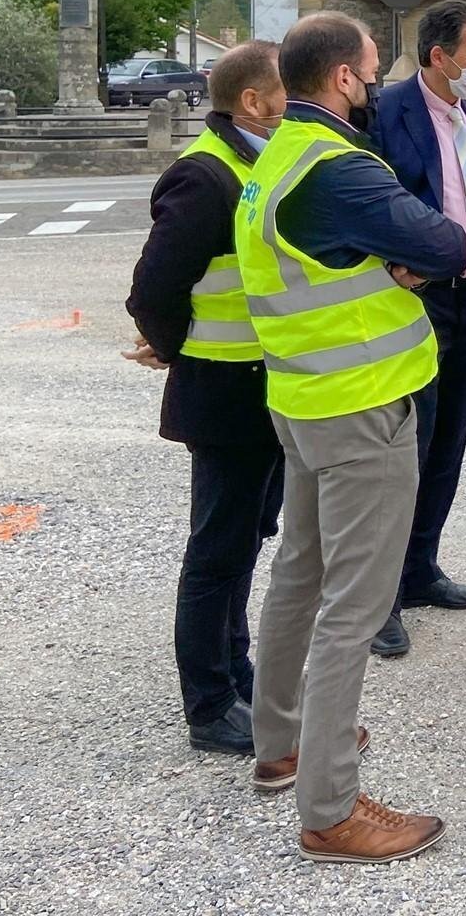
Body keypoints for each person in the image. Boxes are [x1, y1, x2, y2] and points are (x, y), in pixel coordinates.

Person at [238, 13, 466, 863]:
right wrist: (407, 260)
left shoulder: (276, 159)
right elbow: (446, 241)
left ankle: (282, 744)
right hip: (364, 406)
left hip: (302, 399)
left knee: (301, 570)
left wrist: (388, 259)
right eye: (372, 71)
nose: (378, 84)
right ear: (342, 77)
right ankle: (330, 808)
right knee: (355, 607)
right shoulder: (339, 168)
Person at [123, 40, 287, 757]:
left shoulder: (256, 165)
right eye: (291, 90)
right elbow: (152, 291)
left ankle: (238, 673)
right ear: (253, 102)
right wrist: (173, 344)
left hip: (259, 388)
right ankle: (210, 703)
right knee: (217, 550)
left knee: (245, 541)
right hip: (223, 391)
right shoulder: (205, 177)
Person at [367, 1, 466, 660]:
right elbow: (368, 200)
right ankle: (379, 601)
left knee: (451, 442)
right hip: (418, 302)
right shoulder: (384, 113)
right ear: (439, 55)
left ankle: (421, 569)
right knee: (409, 451)